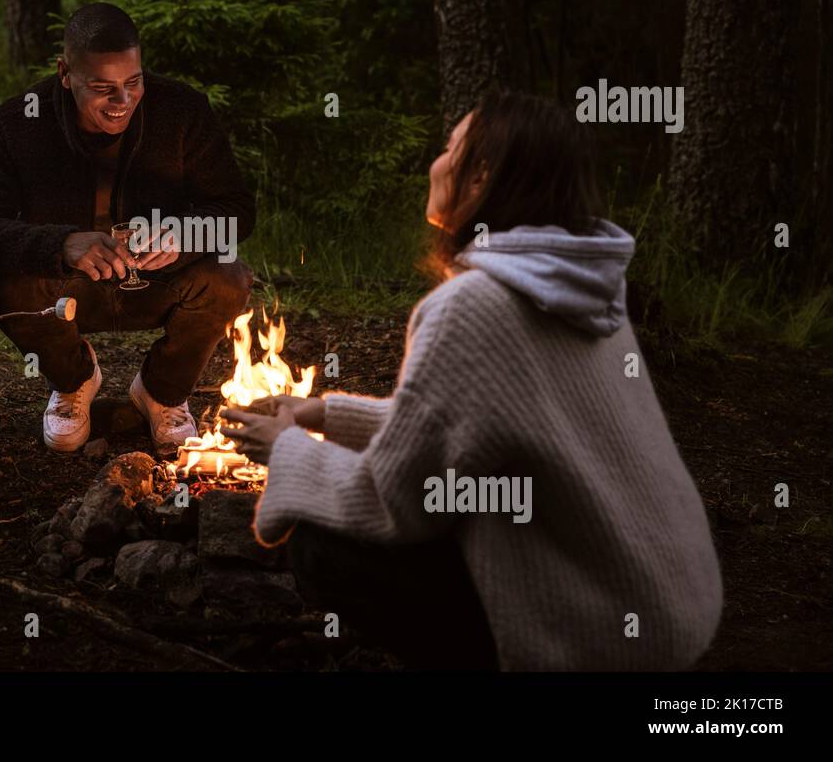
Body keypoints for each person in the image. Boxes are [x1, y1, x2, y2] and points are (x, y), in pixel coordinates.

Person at [222, 90, 723, 671]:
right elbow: (479, 426)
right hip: (669, 605)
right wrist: (321, 414)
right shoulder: (579, 286)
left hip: (602, 638)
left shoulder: (472, 306)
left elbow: (395, 498)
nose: (437, 163)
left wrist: (286, 448)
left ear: (481, 173)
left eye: (450, 147)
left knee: (321, 542)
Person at [0, 3, 255, 454]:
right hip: (68, 290)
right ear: (65, 73)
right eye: (103, 88)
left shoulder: (181, 109)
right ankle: (72, 381)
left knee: (229, 276)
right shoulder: (18, 123)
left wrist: (183, 234)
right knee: (10, 282)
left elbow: (237, 209)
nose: (123, 101)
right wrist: (61, 244)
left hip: (158, 278)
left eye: (133, 83)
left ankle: (162, 392)